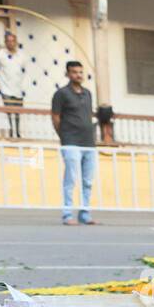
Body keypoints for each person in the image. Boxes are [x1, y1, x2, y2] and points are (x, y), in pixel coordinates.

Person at [50, 61, 97, 225]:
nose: (78, 75)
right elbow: (56, 117)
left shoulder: (87, 93)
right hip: (71, 141)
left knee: (88, 181)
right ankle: (67, 214)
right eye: (74, 72)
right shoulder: (61, 94)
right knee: (71, 178)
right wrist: (63, 136)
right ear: (68, 74)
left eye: (80, 72)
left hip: (89, 143)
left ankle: (85, 213)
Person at [0, 31, 25, 138]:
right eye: (8, 41)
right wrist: (0, 81)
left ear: (16, 42)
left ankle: (17, 133)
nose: (11, 43)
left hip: (18, 88)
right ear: (5, 42)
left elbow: (23, 71)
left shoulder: (21, 55)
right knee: (9, 111)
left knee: (18, 111)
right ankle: (12, 132)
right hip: (6, 87)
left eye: (13, 41)